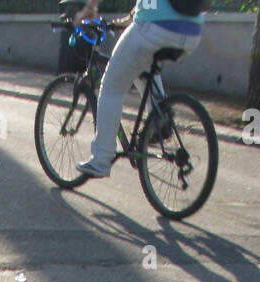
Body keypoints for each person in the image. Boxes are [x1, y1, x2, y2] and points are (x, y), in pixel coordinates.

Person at [76, 0, 204, 178]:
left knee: (112, 86)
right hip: (192, 31)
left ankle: (101, 159)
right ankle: (160, 117)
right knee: (141, 63)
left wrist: (90, 8)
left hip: (155, 27)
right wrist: (131, 17)